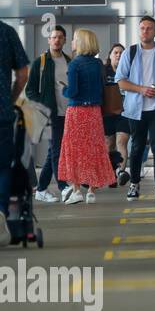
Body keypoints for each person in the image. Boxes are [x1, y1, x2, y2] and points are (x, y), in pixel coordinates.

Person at [115, 16, 155, 201]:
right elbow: (121, 81)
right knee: (137, 147)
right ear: (139, 30)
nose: (145, 31)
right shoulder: (130, 52)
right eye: (142, 28)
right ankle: (134, 185)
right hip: (136, 109)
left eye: (149, 28)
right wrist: (141, 89)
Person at [58, 29, 115, 204]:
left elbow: (73, 91)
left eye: (74, 39)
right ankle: (91, 190)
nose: (72, 42)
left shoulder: (75, 64)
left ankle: (76, 191)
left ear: (81, 42)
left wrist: (64, 89)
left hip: (77, 112)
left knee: (74, 150)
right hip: (94, 112)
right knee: (94, 148)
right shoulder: (98, 64)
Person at [26, 25, 72, 202]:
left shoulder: (69, 61)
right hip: (49, 113)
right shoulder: (41, 62)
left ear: (64, 40)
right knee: (57, 150)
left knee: (54, 150)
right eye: (54, 37)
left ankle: (42, 189)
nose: (57, 40)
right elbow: (30, 90)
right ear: (49, 40)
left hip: (66, 112)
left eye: (60, 37)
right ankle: (63, 186)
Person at [0, 20, 30, 226]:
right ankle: (1, 215)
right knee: (2, 166)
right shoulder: (6, 32)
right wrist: (9, 100)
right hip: (1, 112)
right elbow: (22, 75)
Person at [103, 43, 129, 186]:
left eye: (121, 53)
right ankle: (111, 173)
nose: (118, 55)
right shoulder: (103, 71)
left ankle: (121, 172)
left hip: (124, 112)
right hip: (107, 113)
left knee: (121, 141)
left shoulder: (128, 72)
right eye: (116, 52)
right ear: (110, 55)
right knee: (109, 144)